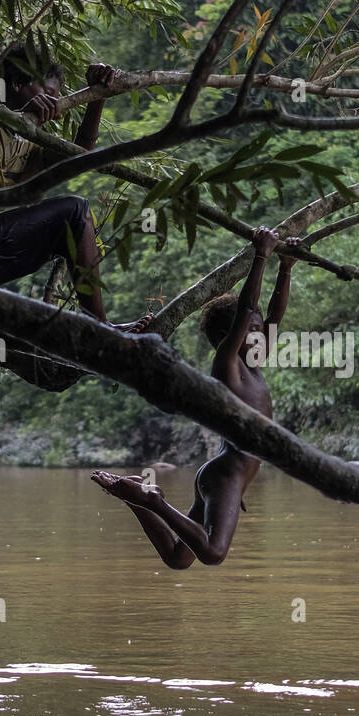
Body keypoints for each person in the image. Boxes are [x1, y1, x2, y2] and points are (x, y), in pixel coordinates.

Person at [91, 226, 301, 567]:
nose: (259, 332)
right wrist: (261, 255)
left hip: (230, 474)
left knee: (178, 558)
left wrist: (287, 267)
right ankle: (154, 500)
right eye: (250, 329)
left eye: (259, 329)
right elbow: (248, 309)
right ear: (227, 336)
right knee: (212, 553)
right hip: (227, 473)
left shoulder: (254, 363)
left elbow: (273, 315)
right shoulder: (228, 364)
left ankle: (136, 500)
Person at [0, 42, 150, 330]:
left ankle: (95, 329)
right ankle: (100, 330)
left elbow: (79, 157)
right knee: (75, 210)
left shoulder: (27, 146)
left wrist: (98, 96)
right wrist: (14, 114)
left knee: (73, 220)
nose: (55, 108)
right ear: (17, 83)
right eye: (49, 95)